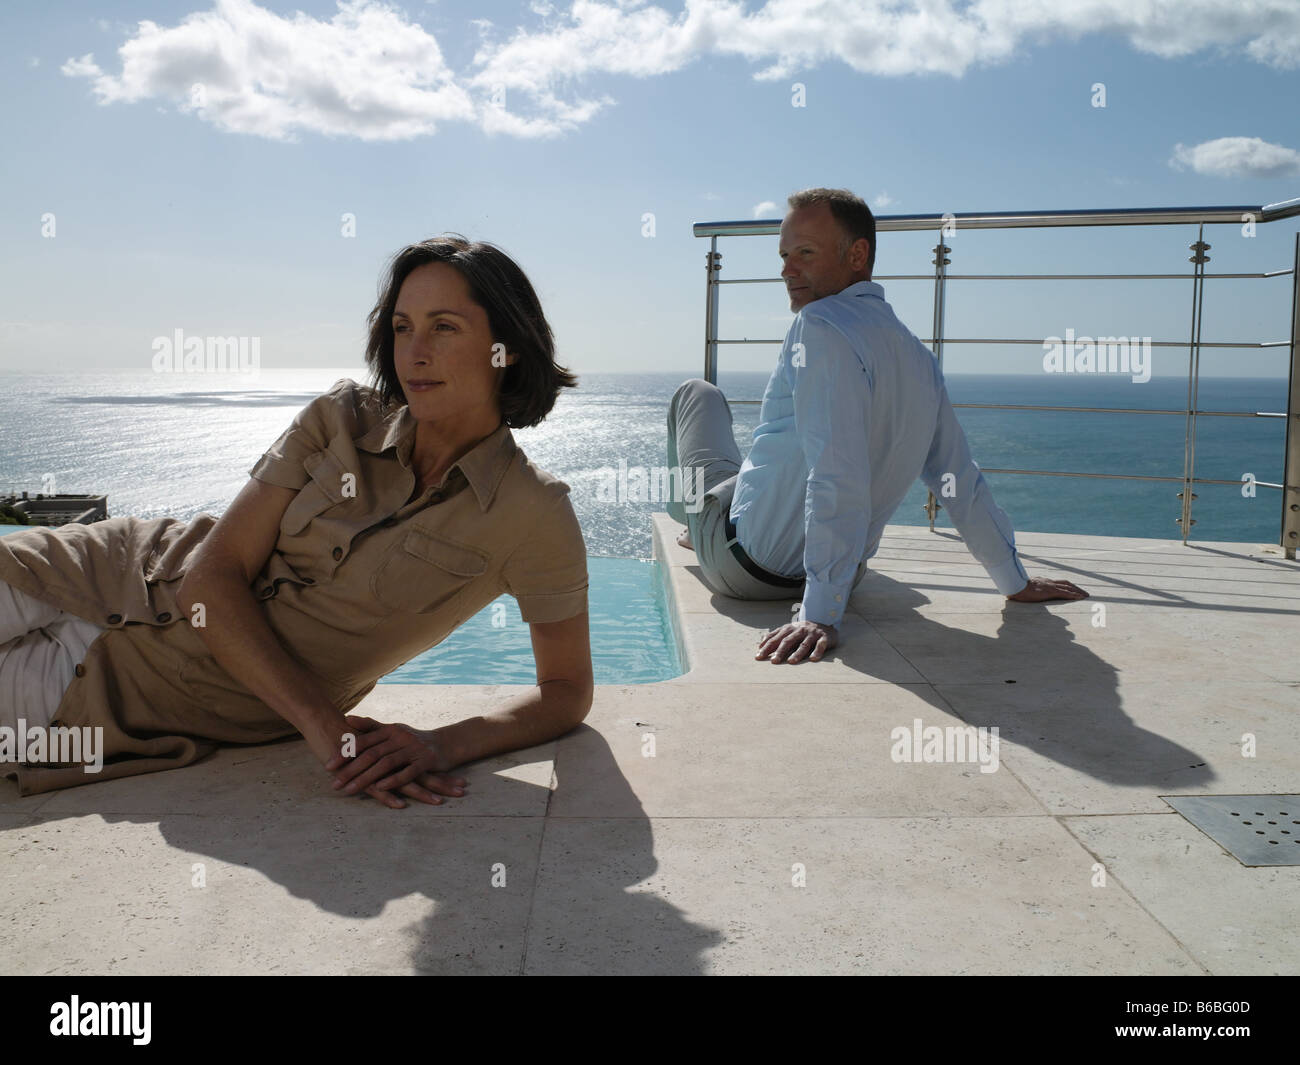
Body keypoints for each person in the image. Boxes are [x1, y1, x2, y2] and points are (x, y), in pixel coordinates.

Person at [0, 235, 593, 805]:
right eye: (402, 327)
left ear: (506, 347)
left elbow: (566, 691)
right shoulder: (341, 416)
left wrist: (443, 743)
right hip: (93, 569)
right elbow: (212, 575)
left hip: (121, 696)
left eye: (445, 327)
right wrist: (321, 723)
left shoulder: (534, 514)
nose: (414, 352)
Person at [666, 187, 1087, 665]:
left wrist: (820, 614)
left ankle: (691, 525)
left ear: (857, 253)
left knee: (698, 395)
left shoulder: (819, 325)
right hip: (849, 577)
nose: (786, 270)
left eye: (805, 252)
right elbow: (958, 478)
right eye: (784, 255)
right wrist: (1013, 580)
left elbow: (836, 474)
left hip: (747, 570)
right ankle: (708, 522)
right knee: (761, 465)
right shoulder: (919, 357)